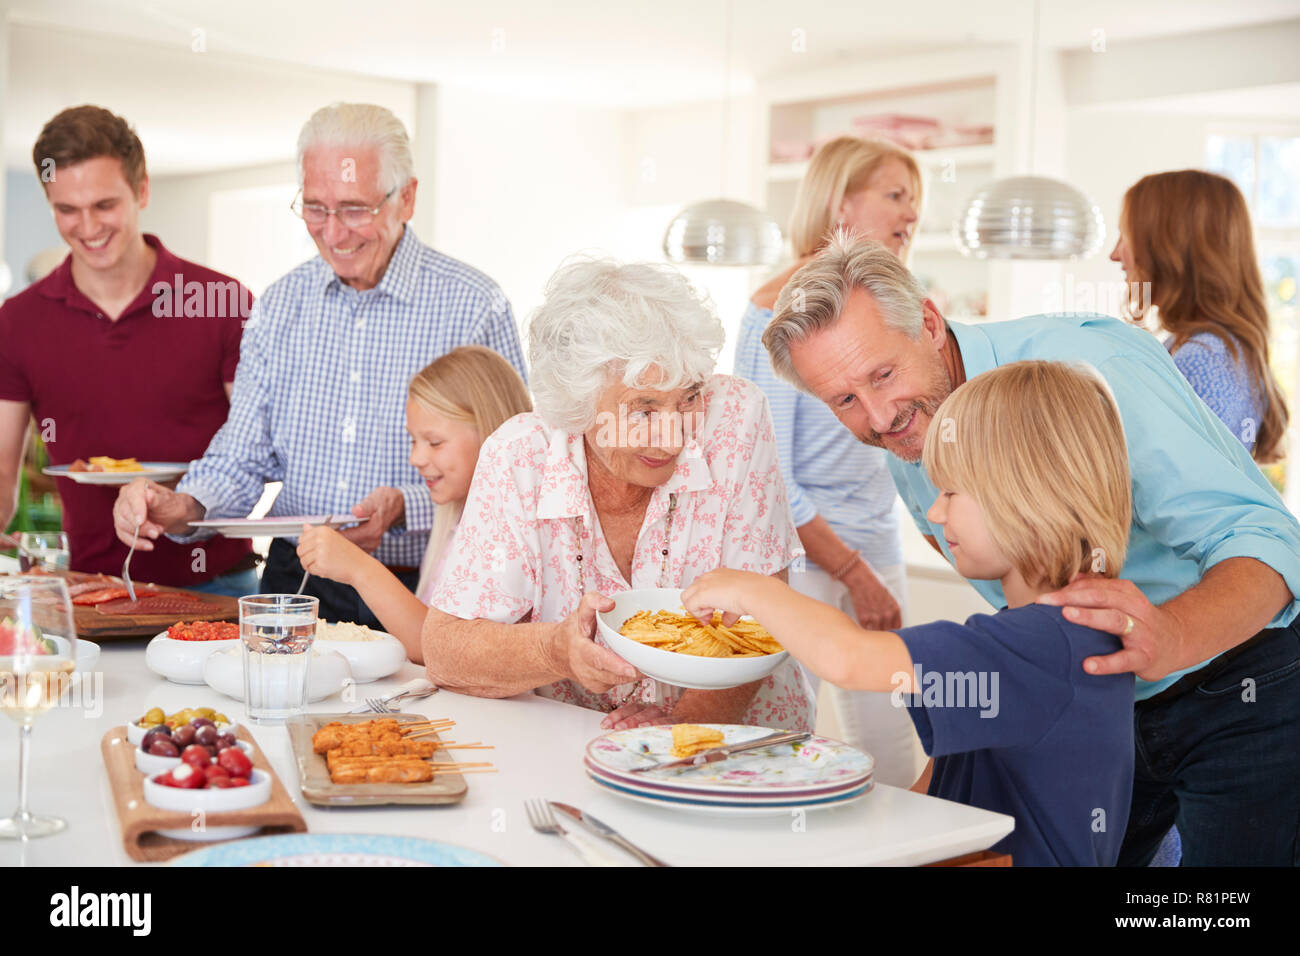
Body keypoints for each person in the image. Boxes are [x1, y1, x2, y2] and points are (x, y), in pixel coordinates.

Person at [760, 233, 1300, 866]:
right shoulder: (910, 434)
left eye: (882, 374)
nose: (878, 417)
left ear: (929, 324)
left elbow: (1266, 538)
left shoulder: (1087, 366)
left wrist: (1173, 634)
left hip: (1238, 676)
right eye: (844, 400)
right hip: (1105, 699)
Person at [685, 361, 1136, 866]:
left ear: (1025, 495)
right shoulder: (1053, 634)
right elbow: (938, 784)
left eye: (951, 493)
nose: (937, 514)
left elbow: (848, 658)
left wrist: (750, 590)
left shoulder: (1041, 645)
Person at [112, 103, 526, 624]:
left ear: (407, 199)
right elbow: (241, 456)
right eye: (315, 209)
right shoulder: (281, 304)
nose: (333, 233)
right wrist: (184, 506)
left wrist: (403, 511)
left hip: (422, 583)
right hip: (295, 578)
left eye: (354, 209)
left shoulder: (475, 306)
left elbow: (514, 471)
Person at [422, 258, 814, 731]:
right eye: (643, 410)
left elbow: (764, 616)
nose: (672, 440)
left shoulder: (735, 418)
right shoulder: (520, 455)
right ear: (579, 404)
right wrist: (555, 651)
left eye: (687, 398)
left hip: (742, 750)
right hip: (581, 753)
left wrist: (679, 732)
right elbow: (446, 650)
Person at [0, 105, 255, 594]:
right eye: (66, 210)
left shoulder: (222, 303)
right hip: (92, 591)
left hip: (220, 588)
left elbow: (253, 453)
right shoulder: (18, 321)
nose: (87, 226)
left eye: (104, 205)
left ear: (141, 191)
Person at [734, 134, 923, 787]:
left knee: (892, 736)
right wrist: (854, 572)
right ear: (841, 206)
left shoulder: (896, 306)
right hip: (802, 561)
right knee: (785, 732)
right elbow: (770, 479)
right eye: (896, 195)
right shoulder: (774, 310)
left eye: (915, 202)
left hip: (876, 544)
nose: (911, 215)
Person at [295, 346, 531, 662]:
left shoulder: (506, 532)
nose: (415, 458)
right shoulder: (459, 519)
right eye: (413, 440)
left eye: (434, 442)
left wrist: (357, 568)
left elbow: (442, 650)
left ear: (492, 434)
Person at [1112, 169, 1288, 462]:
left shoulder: (1204, 359)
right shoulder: (1195, 347)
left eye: (1126, 236)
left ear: (1170, 250)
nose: (1115, 255)